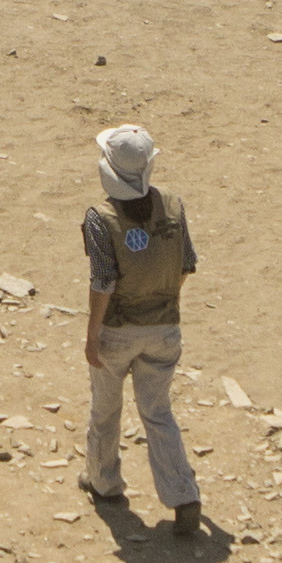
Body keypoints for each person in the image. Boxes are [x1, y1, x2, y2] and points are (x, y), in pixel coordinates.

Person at [80, 124, 204, 535]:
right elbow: (185, 264)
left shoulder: (100, 219)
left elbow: (103, 282)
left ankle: (104, 482)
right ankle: (183, 496)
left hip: (117, 330)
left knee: (106, 409)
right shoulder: (173, 204)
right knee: (157, 412)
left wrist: (92, 335)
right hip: (165, 327)